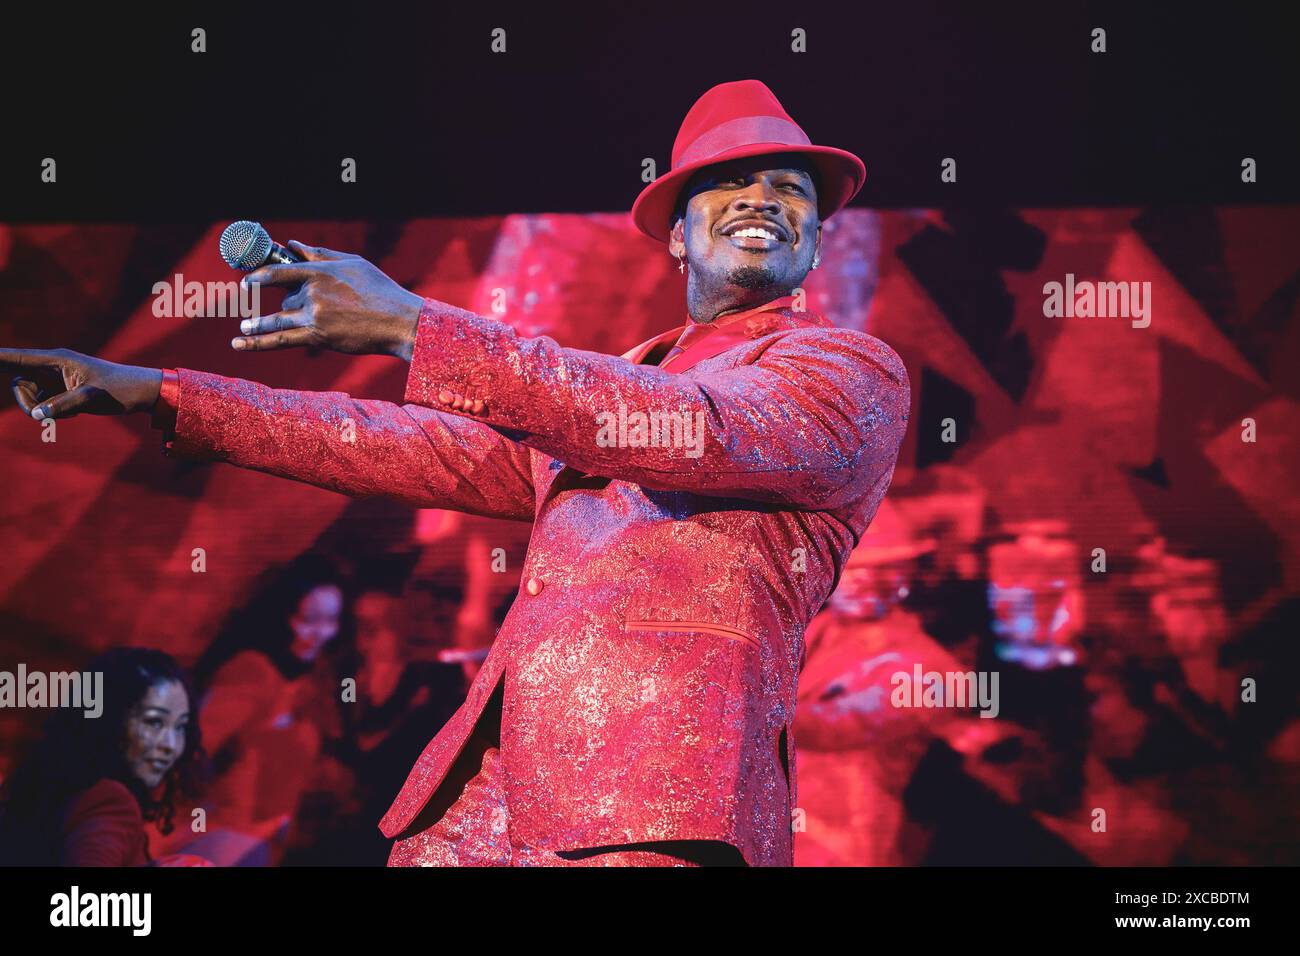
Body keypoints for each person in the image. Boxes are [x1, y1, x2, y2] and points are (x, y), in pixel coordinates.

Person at [0, 79, 909, 866]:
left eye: (788, 189)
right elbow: (392, 440)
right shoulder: (610, 387)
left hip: (653, 810)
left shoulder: (844, 374)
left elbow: (692, 427)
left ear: (818, 241)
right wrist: (160, 392)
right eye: (730, 182)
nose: (761, 197)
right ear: (676, 237)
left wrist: (413, 325)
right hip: (474, 810)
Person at [174, 554, 346, 866]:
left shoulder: (314, 683)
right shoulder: (251, 672)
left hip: (263, 843)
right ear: (282, 616)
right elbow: (192, 752)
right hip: (218, 840)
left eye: (330, 621)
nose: (319, 633)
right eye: (308, 620)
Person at [0, 647, 206, 866]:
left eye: (181, 727)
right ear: (110, 720)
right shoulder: (110, 800)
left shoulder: (52, 793)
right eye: (154, 722)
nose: (171, 745)